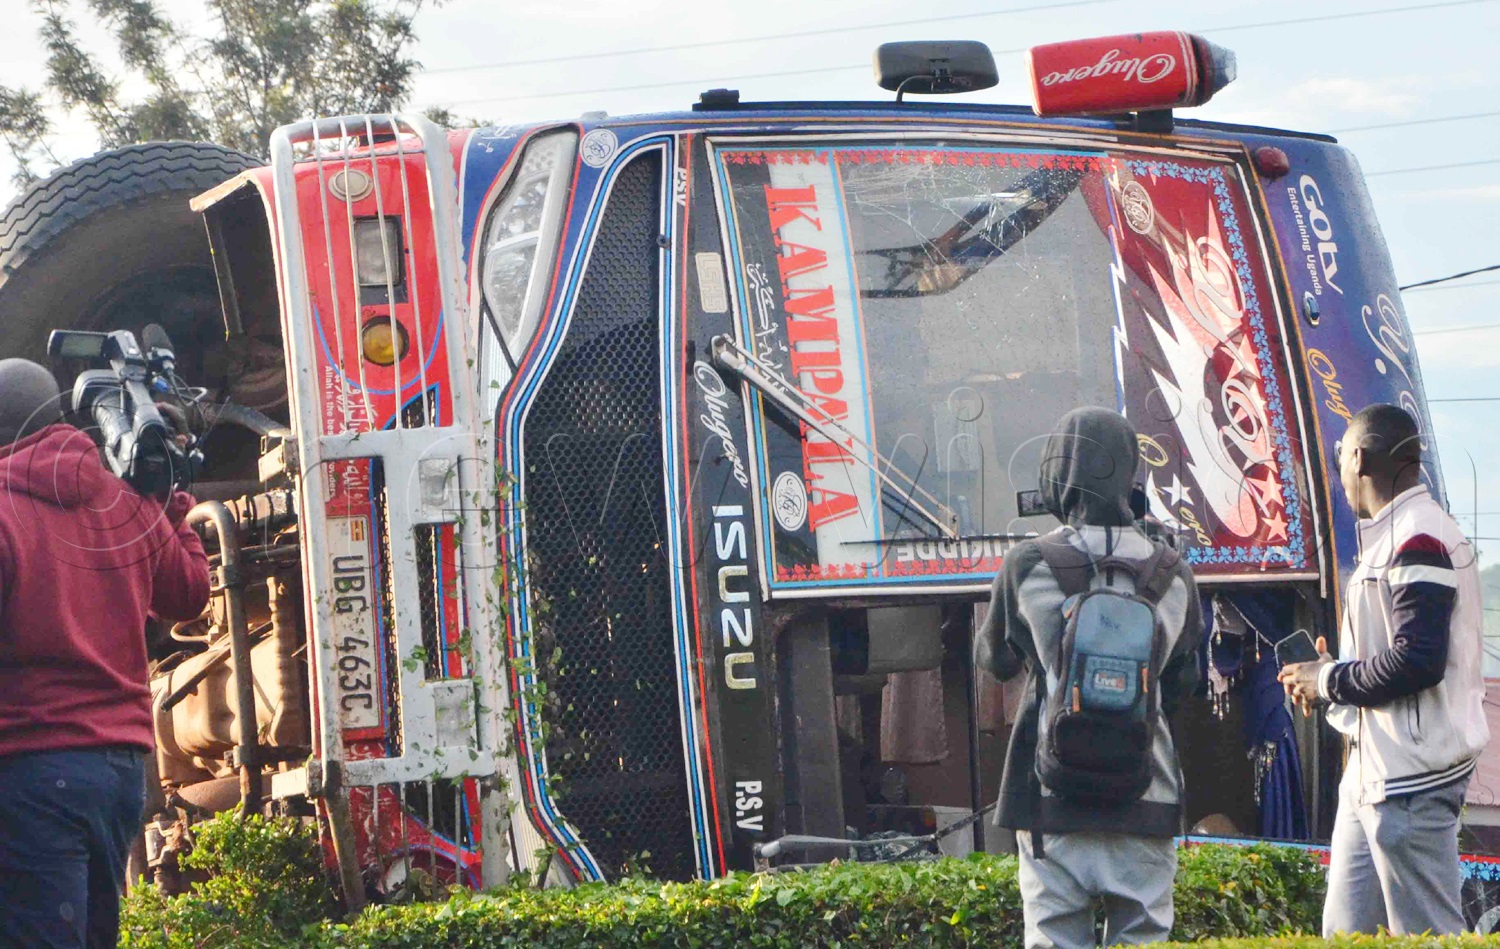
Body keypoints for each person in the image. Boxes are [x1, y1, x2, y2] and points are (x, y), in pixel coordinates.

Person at [0, 359, 210, 948]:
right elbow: (189, 594)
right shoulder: (124, 501)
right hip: (119, 774)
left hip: (30, 769)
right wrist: (168, 500)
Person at [976, 407, 1204, 949]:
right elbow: (1183, 685)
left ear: (1058, 472)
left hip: (1051, 797)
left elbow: (995, 661)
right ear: (1131, 475)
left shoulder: (1027, 563)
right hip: (1147, 794)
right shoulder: (1174, 573)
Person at [1281, 403, 1487, 937]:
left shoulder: (1418, 537)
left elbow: (1418, 660)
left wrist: (1328, 681)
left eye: (1341, 459)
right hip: (1377, 772)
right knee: (1346, 934)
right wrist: (1331, 673)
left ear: (1358, 458)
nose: (1341, 472)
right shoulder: (1406, 533)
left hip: (1412, 776)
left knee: (1427, 935)